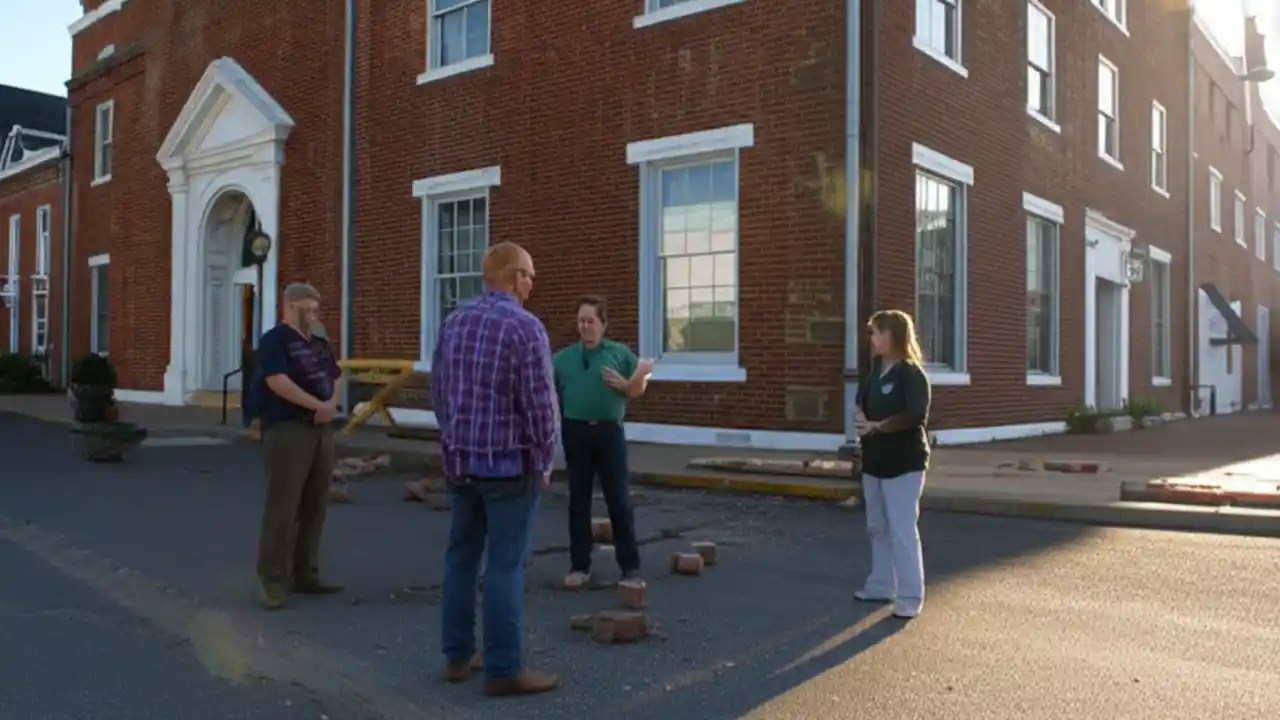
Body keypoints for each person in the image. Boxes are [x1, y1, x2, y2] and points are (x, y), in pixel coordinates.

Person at [432, 241, 561, 697]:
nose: (532, 282)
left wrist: (452, 440)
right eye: (528, 273)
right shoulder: (525, 328)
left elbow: (439, 392)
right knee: (506, 564)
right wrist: (545, 458)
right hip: (509, 466)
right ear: (510, 275)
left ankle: (457, 655)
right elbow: (541, 406)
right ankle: (504, 668)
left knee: (461, 557)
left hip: (461, 462)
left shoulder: (454, 322)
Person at [552, 294, 653, 589]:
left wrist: (625, 384)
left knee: (618, 499)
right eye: (581, 321)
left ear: (603, 324)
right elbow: (547, 389)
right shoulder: (563, 359)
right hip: (576, 432)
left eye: (591, 321)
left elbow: (640, 387)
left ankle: (630, 567)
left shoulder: (619, 354)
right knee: (578, 500)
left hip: (609, 433)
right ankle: (579, 566)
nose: (585, 327)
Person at [254, 283, 344, 610]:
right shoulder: (274, 341)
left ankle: (305, 572)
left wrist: (331, 403)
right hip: (288, 428)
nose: (315, 315)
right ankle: (272, 580)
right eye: (309, 309)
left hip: (321, 430)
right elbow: (277, 381)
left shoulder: (319, 343)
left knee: (315, 503)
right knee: (284, 505)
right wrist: (313, 406)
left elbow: (334, 375)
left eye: (317, 309)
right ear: (290, 306)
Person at [853, 309, 932, 620]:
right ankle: (881, 585)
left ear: (894, 335)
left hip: (905, 462)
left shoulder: (912, 375)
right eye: (872, 332)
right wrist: (860, 418)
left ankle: (911, 596)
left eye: (877, 332)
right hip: (874, 461)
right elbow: (861, 400)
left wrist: (878, 426)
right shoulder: (875, 370)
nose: (872, 338)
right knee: (877, 526)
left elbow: (915, 415)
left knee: (902, 529)